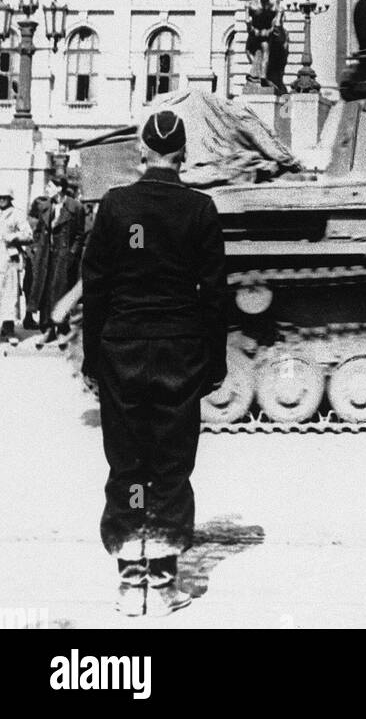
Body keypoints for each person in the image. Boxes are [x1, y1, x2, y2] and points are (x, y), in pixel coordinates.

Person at [81, 111, 227, 618]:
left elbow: (96, 287)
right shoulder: (201, 209)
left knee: (128, 462)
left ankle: (129, 581)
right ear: (183, 154)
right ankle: (163, 582)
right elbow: (213, 294)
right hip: (178, 352)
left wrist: (91, 357)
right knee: (169, 461)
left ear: (143, 150)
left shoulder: (117, 206)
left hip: (122, 349)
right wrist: (215, 361)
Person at [28, 169, 85, 344]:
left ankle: (61, 328)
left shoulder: (75, 207)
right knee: (44, 290)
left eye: (50, 186)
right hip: (46, 256)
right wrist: (37, 248)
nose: (46, 189)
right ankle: (47, 327)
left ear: (59, 188)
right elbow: (37, 231)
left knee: (60, 290)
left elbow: (80, 234)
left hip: (64, 257)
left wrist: (72, 254)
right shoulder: (46, 206)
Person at [0, 182, 31, 345]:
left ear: (10, 198)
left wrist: (14, 237)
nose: (1, 200)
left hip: (9, 259)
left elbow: (28, 235)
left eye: (4, 197)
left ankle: (9, 328)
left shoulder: (17, 214)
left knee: (10, 295)